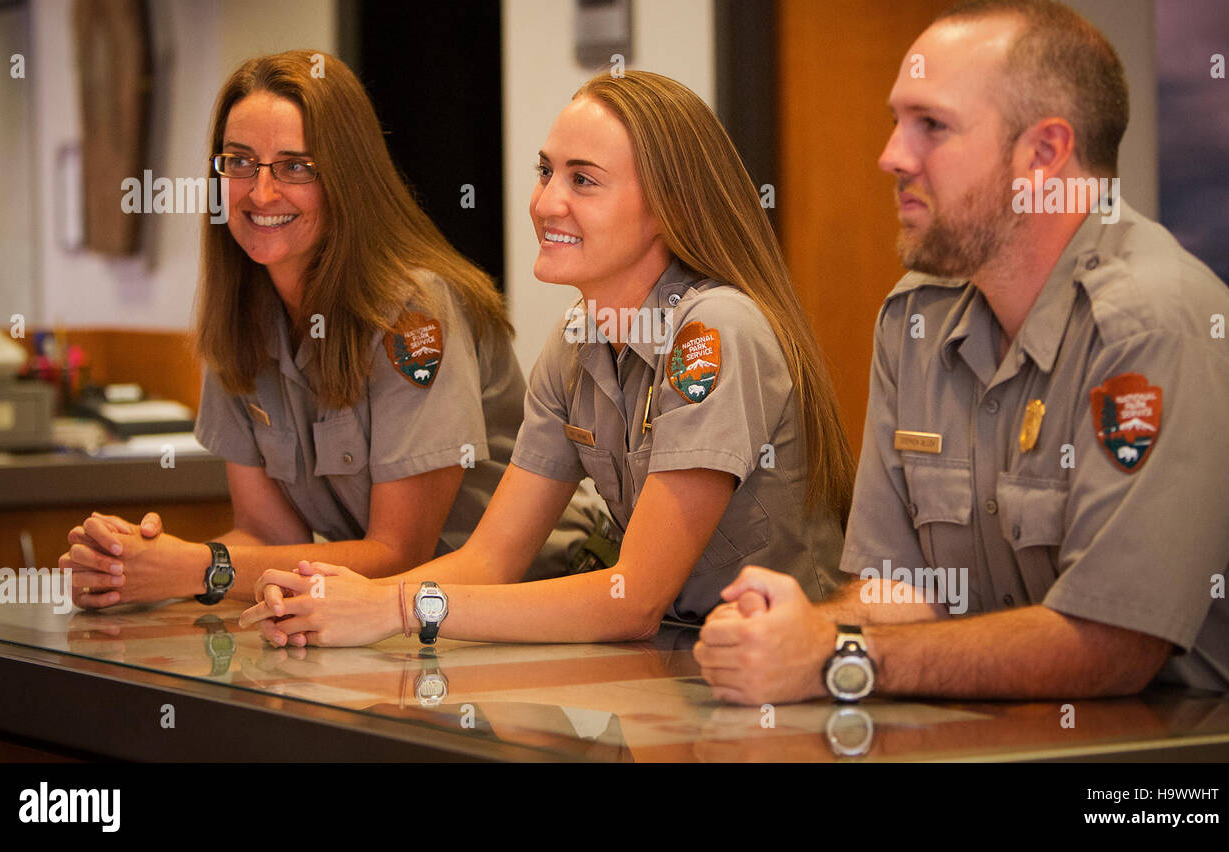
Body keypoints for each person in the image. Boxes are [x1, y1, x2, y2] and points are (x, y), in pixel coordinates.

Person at [695, 0, 1229, 703]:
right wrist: (787, 631)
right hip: (996, 736)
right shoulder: (918, 317)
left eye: (931, 125)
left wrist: (839, 654)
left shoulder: (1154, 327)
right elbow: (905, 588)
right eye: (896, 122)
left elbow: (1112, 646)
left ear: (1044, 153)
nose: (890, 156)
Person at [237, 69, 856, 645]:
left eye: (582, 180)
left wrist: (399, 609)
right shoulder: (576, 340)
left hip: (785, 673)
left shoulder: (714, 329)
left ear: (670, 207)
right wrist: (339, 600)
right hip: (680, 658)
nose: (544, 203)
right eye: (545, 172)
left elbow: (632, 598)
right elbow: (492, 559)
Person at [60, 50, 588, 608]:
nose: (261, 193)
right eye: (239, 162)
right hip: (386, 620)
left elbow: (399, 551)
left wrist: (199, 567)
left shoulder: (413, 313)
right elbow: (267, 536)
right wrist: (134, 567)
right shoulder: (238, 314)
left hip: (531, 606)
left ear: (347, 178)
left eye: (296, 167)